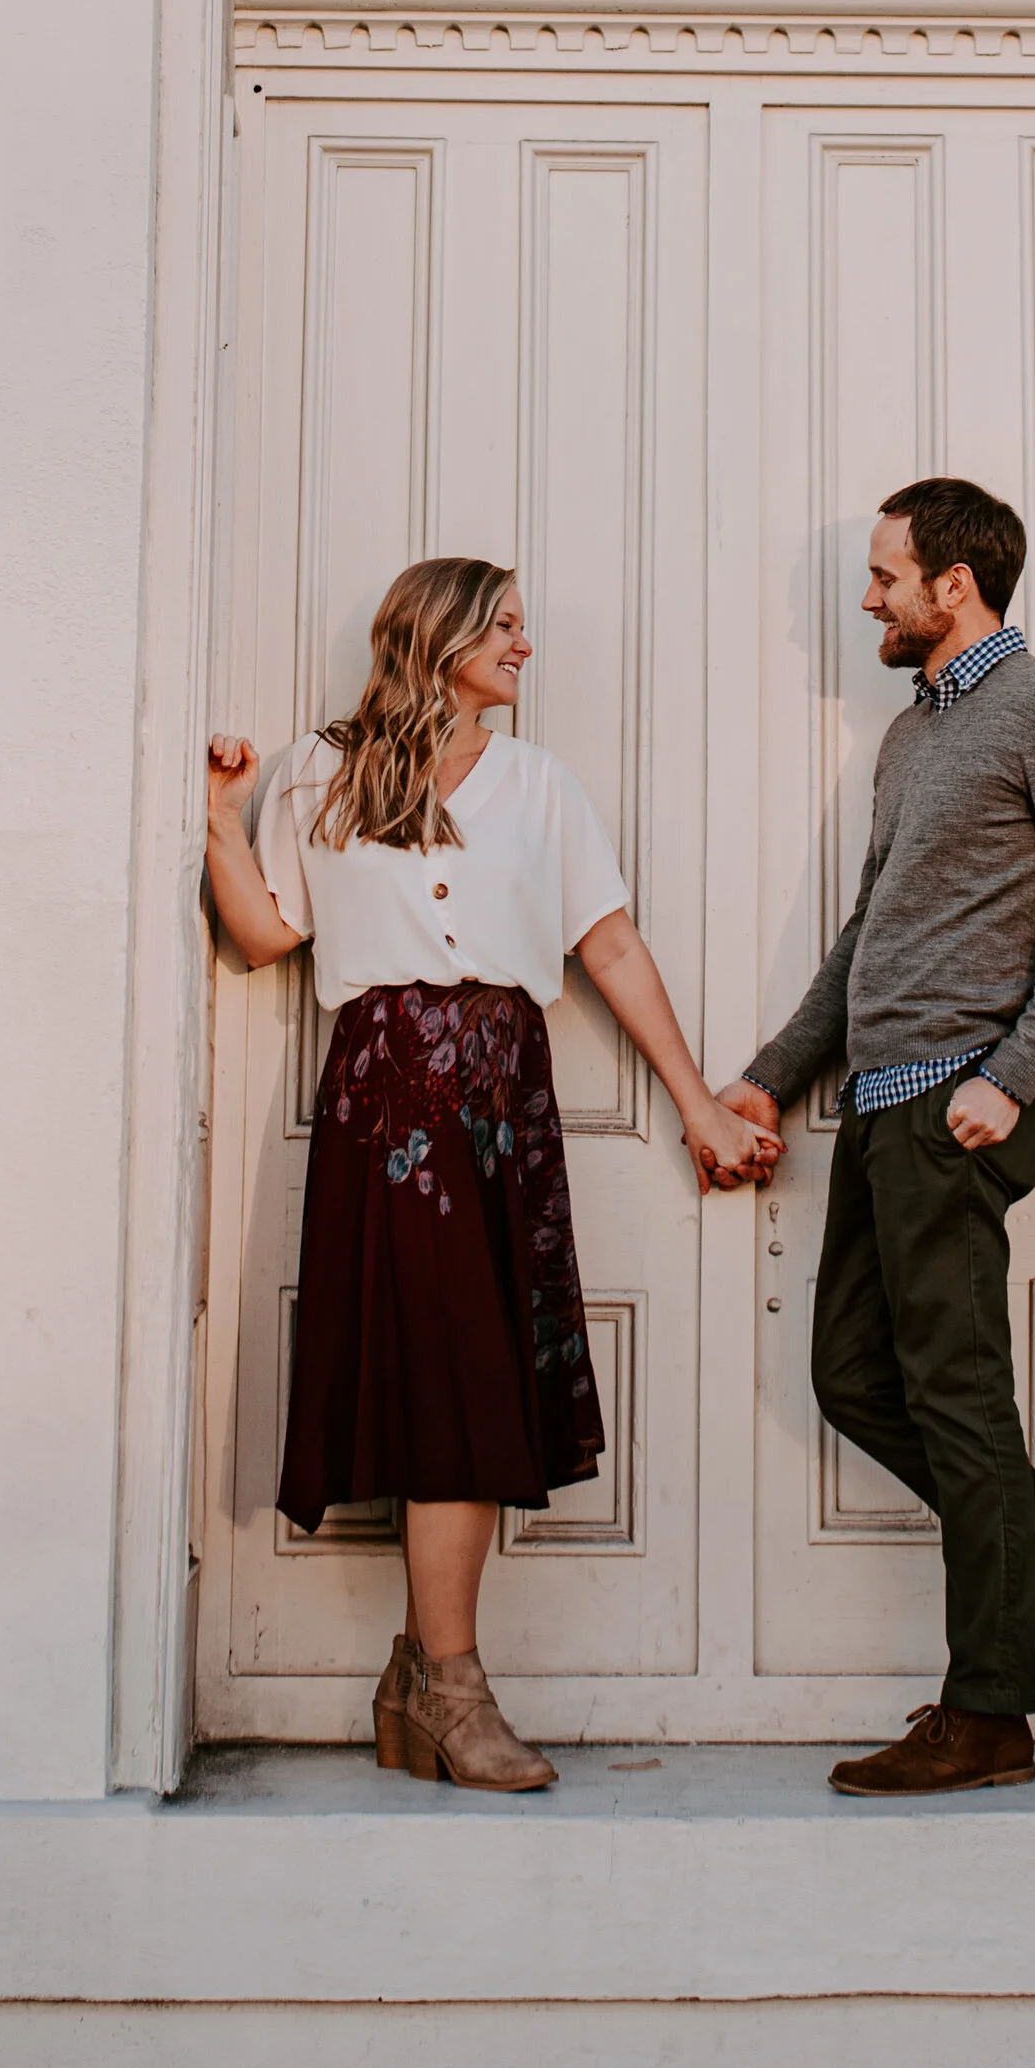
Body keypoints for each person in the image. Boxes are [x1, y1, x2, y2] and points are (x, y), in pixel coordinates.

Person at [204, 553, 775, 1794]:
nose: (525, 646)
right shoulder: (322, 770)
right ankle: (447, 1687)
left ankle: (426, 1679)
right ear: (440, 633)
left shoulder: (538, 786)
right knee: (445, 1378)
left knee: (469, 1377)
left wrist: (695, 1105)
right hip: (386, 1098)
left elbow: (610, 944)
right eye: (504, 625)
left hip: (498, 1099)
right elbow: (263, 936)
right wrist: (216, 819)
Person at [712, 477, 1035, 1797]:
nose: (865, 599)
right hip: (878, 1099)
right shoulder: (916, 738)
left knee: (961, 1401)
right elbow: (870, 934)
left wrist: (1014, 1076)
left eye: (883, 576)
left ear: (954, 583)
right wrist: (772, 1075)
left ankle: (988, 1713)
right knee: (856, 1378)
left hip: (955, 1103)